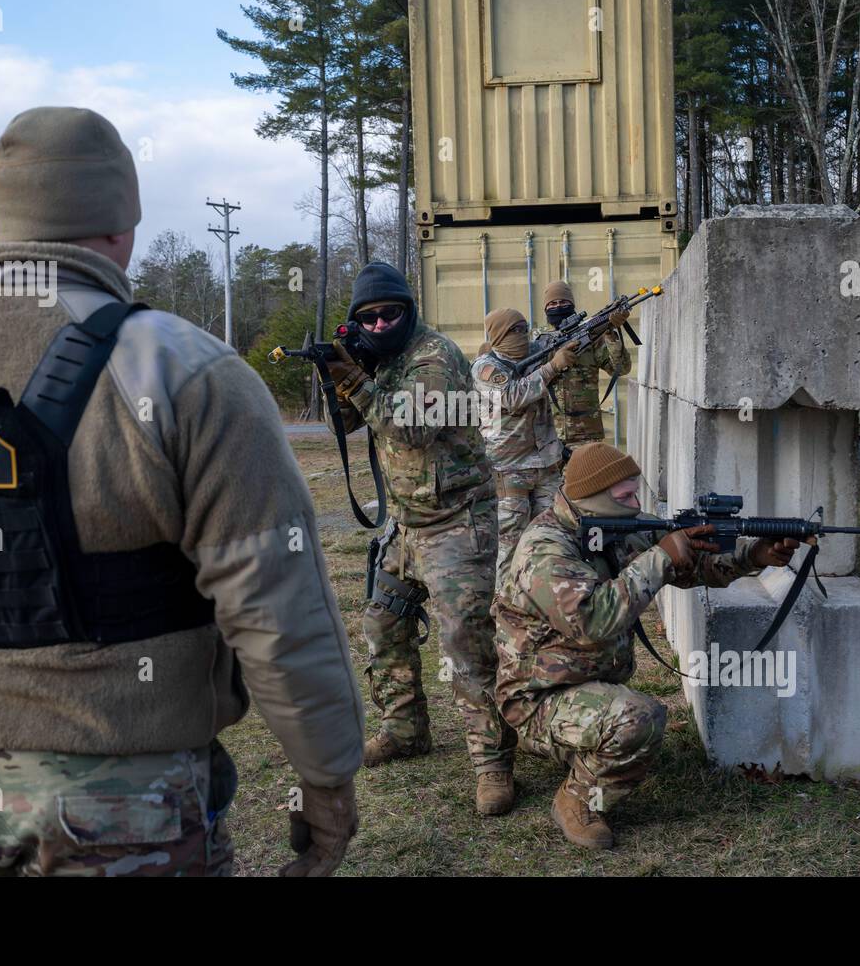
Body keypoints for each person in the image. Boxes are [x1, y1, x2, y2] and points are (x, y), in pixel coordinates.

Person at [0, 106, 363, 877]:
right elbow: (278, 605)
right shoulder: (187, 374)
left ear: (2, 219)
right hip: (123, 802)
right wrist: (327, 776)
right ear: (121, 224)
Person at [492, 443, 808, 848]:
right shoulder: (545, 549)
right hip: (536, 698)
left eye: (634, 492)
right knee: (638, 718)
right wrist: (659, 557)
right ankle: (578, 800)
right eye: (624, 496)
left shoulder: (615, 524)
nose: (636, 503)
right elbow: (594, 621)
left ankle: (589, 744)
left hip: (587, 684)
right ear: (590, 499)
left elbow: (695, 565)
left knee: (627, 717)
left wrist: (754, 554)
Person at [324, 262, 517, 816]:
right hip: (407, 524)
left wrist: (356, 377)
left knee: (465, 645)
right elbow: (353, 421)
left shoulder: (434, 358)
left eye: (390, 314)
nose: (381, 324)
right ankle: (405, 730)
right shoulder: (380, 358)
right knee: (383, 624)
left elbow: (408, 425)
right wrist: (337, 374)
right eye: (369, 318)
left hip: (459, 522)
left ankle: (492, 763)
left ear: (409, 311)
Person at [470, 307, 574, 579]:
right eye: (513, 331)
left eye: (523, 329)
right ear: (498, 335)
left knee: (553, 536)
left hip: (545, 466)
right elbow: (513, 395)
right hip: (508, 469)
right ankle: (504, 605)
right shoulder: (485, 367)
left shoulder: (534, 353)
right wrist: (553, 366)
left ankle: (544, 597)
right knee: (510, 544)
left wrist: (603, 329)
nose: (521, 335)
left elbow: (562, 345)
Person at [536, 280, 632, 451]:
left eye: (564, 302)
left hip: (586, 434)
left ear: (572, 305)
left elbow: (621, 368)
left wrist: (610, 333)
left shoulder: (590, 337)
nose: (558, 306)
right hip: (547, 435)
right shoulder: (537, 340)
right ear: (545, 308)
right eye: (553, 303)